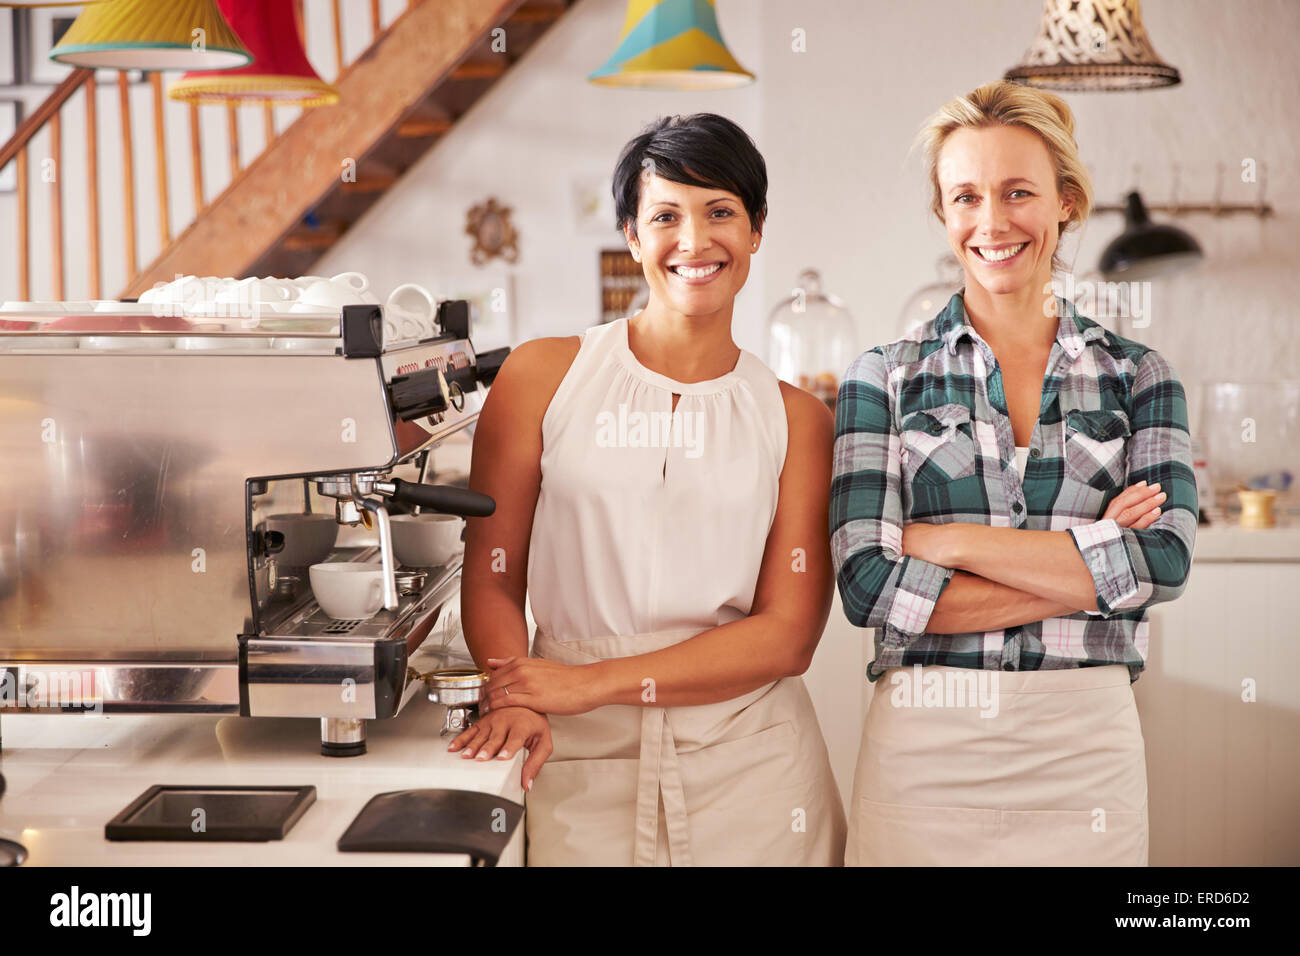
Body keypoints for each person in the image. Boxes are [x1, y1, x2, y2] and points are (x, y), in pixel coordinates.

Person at [455, 113, 846, 866]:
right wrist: (522, 696)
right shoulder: (541, 377)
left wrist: (588, 684)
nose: (695, 241)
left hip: (753, 775)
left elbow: (788, 635)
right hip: (569, 757)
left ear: (757, 230)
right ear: (632, 236)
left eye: (721, 212)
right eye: (666, 216)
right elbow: (492, 576)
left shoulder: (800, 420)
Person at [831, 80, 1197, 866]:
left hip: (1084, 749)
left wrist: (945, 541)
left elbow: (1164, 566)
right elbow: (867, 586)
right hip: (924, 750)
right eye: (965, 196)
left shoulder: (1140, 376)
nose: (991, 222)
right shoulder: (884, 379)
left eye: (1018, 192)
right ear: (942, 211)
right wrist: (1099, 550)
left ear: (1065, 202)